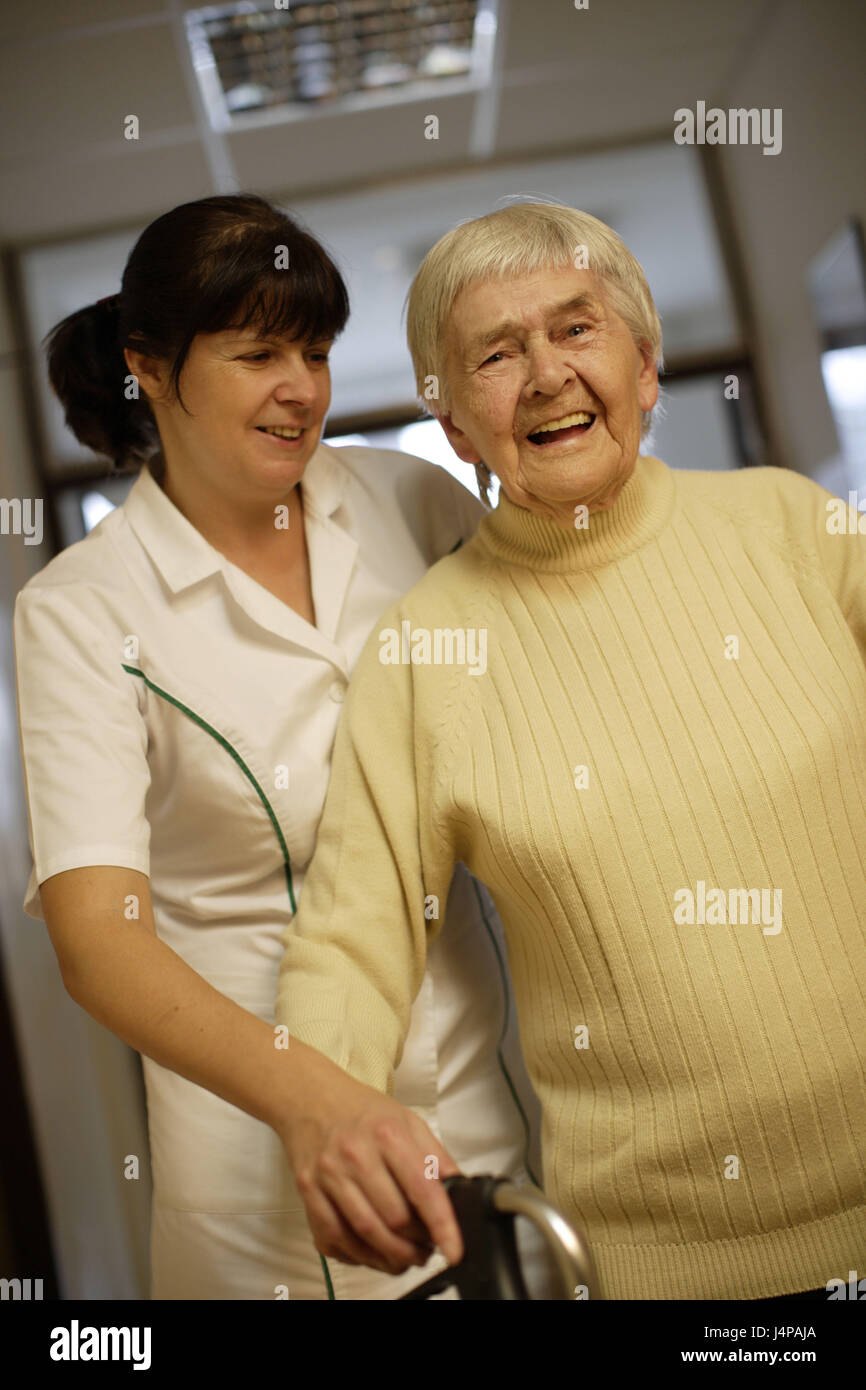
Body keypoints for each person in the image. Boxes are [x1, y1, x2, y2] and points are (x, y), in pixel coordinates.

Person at [275, 200, 866, 1300]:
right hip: (674, 1270)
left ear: (644, 368)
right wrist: (327, 1104)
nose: (545, 375)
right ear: (454, 426)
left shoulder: (793, 530)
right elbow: (352, 937)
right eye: (495, 355)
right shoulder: (425, 654)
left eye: (575, 330)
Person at [13, 193, 553, 1300]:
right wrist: (313, 1097)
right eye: (257, 352)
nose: (299, 387)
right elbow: (97, 939)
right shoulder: (80, 610)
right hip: (262, 1165)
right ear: (151, 369)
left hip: (481, 1112)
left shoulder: (412, 502)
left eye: (311, 349)